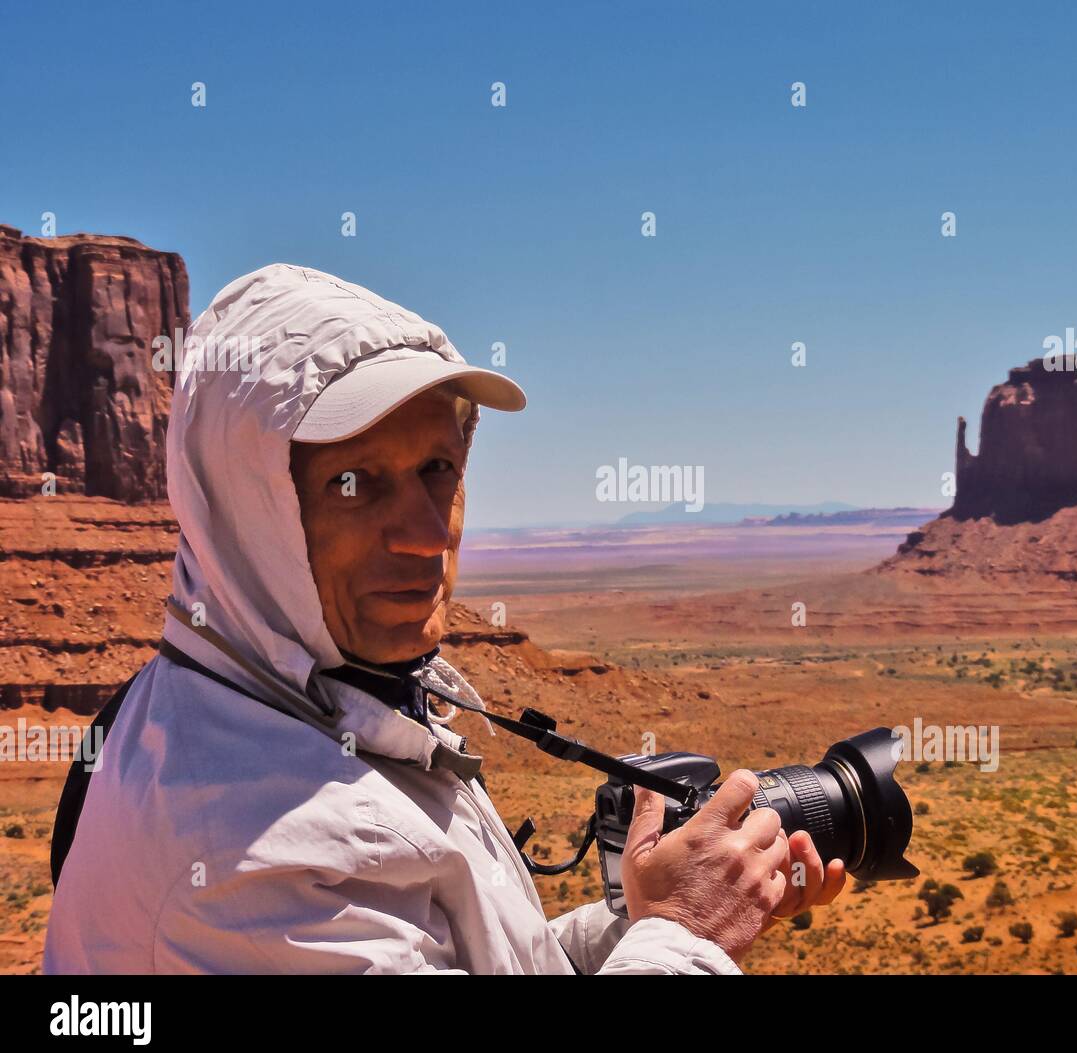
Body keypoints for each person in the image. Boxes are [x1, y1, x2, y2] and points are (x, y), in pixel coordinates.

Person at [43, 264, 844, 974]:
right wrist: (687, 936)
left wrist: (645, 919)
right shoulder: (254, 850)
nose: (429, 533)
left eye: (438, 469)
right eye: (355, 482)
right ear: (252, 512)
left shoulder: (268, 694)